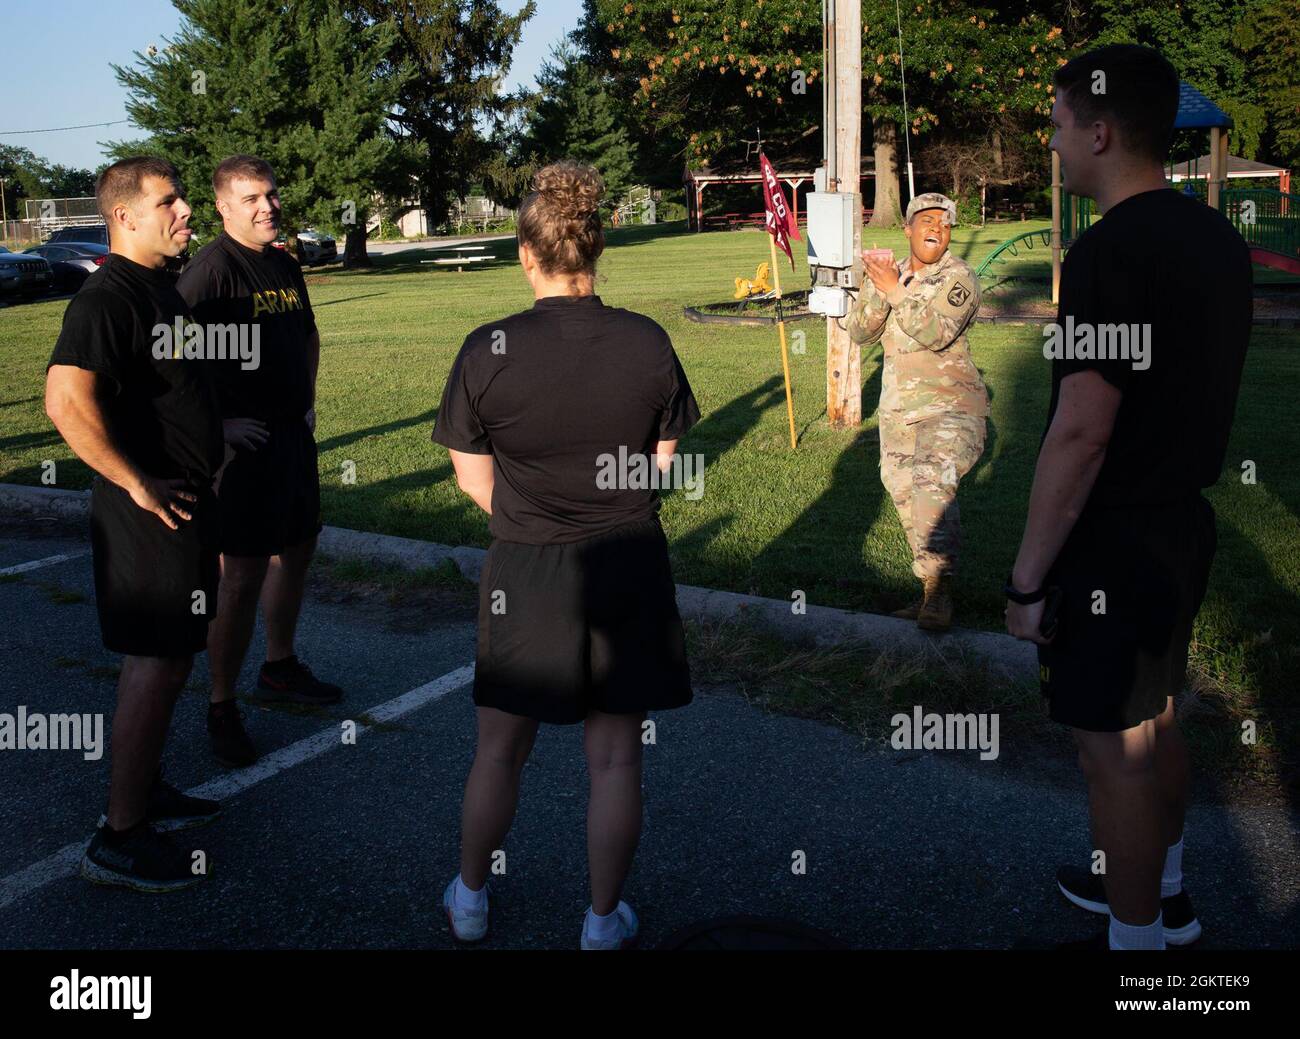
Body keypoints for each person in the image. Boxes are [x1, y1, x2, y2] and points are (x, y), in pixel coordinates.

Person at [1005, 44, 1252, 950]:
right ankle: (1165, 894)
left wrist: (1028, 579)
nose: (1056, 143)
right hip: (1183, 524)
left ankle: (1140, 951)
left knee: (1110, 750)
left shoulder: (1110, 251)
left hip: (1116, 536)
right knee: (1154, 720)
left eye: (1062, 124)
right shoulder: (1216, 237)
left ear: (1102, 130)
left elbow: (1082, 429)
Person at [432, 160, 699, 950]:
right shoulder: (647, 341)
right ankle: (600, 918)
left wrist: (536, 513)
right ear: (599, 246)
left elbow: (473, 480)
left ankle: (472, 898)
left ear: (526, 253)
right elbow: (659, 467)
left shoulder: (487, 349)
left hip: (526, 569)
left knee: (499, 749)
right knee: (615, 758)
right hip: (626, 559)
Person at [45, 156, 224, 891]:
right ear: (124, 216)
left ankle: (145, 790)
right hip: (148, 514)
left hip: (184, 505)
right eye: (170, 201)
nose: (185, 211)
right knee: (154, 665)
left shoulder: (160, 288)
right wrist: (138, 483)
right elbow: (63, 401)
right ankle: (118, 836)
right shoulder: (107, 297)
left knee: (171, 658)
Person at [176, 154, 342, 769]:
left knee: (296, 552)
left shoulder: (284, 264)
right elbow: (168, 365)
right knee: (240, 578)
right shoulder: (208, 273)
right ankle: (221, 704)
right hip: (240, 455)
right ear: (222, 207)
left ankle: (279, 665)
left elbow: (308, 337)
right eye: (250, 199)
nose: (266, 207)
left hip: (290, 441)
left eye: (270, 195)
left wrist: (308, 402)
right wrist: (216, 425)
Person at [844, 192, 987, 630]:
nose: (936, 230)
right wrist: (878, 286)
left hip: (951, 407)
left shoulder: (958, 277)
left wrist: (894, 292)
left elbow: (936, 332)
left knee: (930, 481)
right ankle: (928, 586)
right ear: (907, 228)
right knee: (904, 490)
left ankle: (939, 589)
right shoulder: (895, 273)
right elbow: (858, 331)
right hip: (899, 411)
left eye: (944, 225)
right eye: (926, 221)